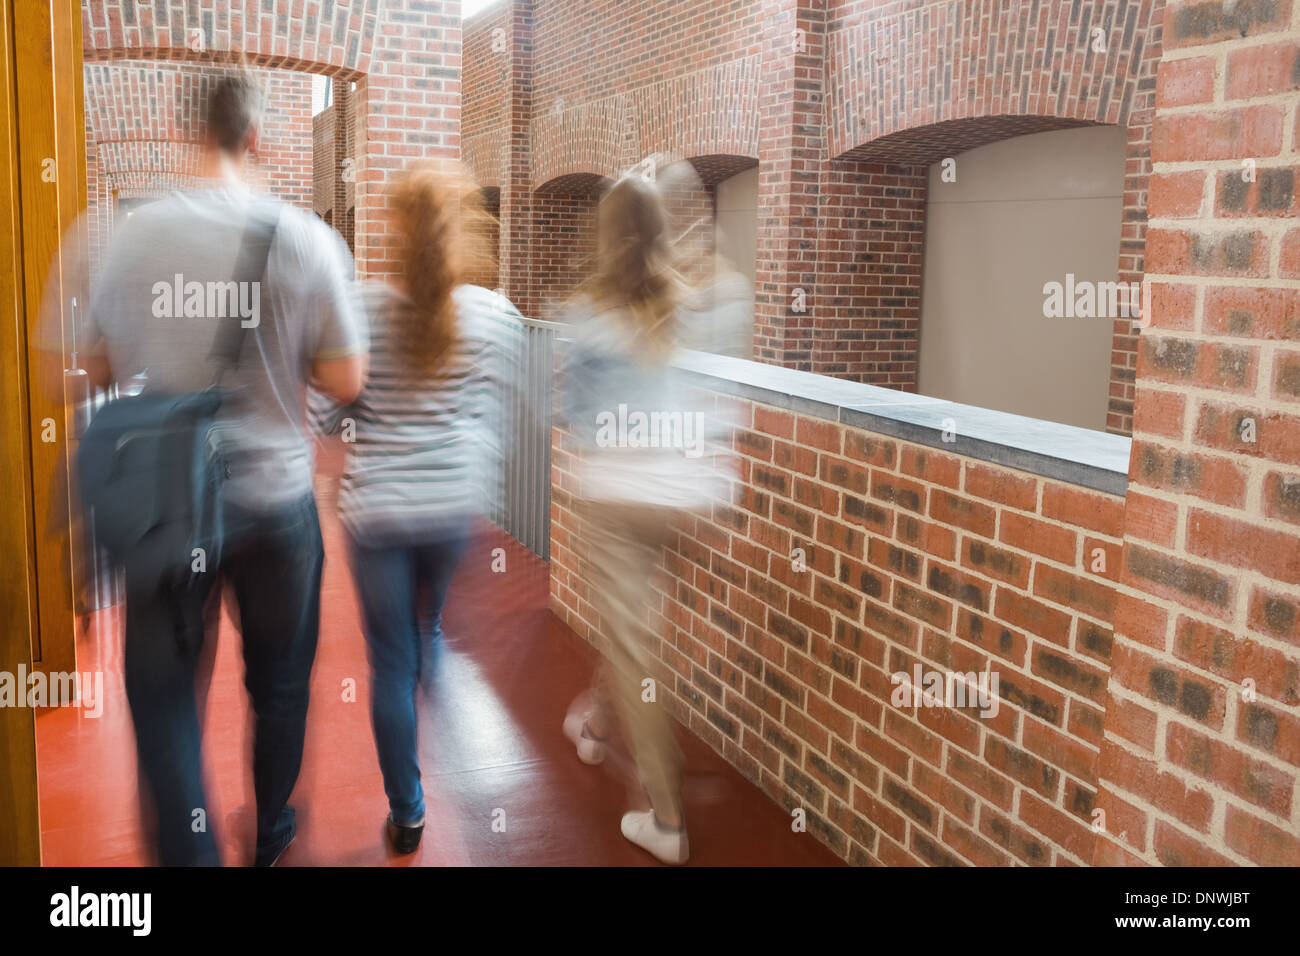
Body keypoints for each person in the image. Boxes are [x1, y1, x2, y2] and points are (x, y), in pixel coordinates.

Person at [77, 71, 366, 866]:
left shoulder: (132, 236)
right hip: (276, 504)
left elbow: (95, 367)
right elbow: (345, 381)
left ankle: (189, 853)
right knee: (278, 690)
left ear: (187, 135)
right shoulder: (306, 239)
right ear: (257, 139)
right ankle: (271, 831)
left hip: (166, 508)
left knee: (166, 700)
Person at [322, 160, 521, 855]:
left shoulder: (363, 310)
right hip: (450, 511)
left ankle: (407, 812)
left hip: (378, 515)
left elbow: (329, 412)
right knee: (428, 631)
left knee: (389, 664)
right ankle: (426, 706)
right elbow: (508, 408)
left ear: (396, 231)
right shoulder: (495, 315)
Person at [557, 168, 743, 864]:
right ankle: (599, 724)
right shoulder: (690, 307)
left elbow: (571, 416)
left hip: (614, 494)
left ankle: (666, 819)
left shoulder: (585, 313)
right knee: (631, 627)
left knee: (636, 644)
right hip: (680, 494)